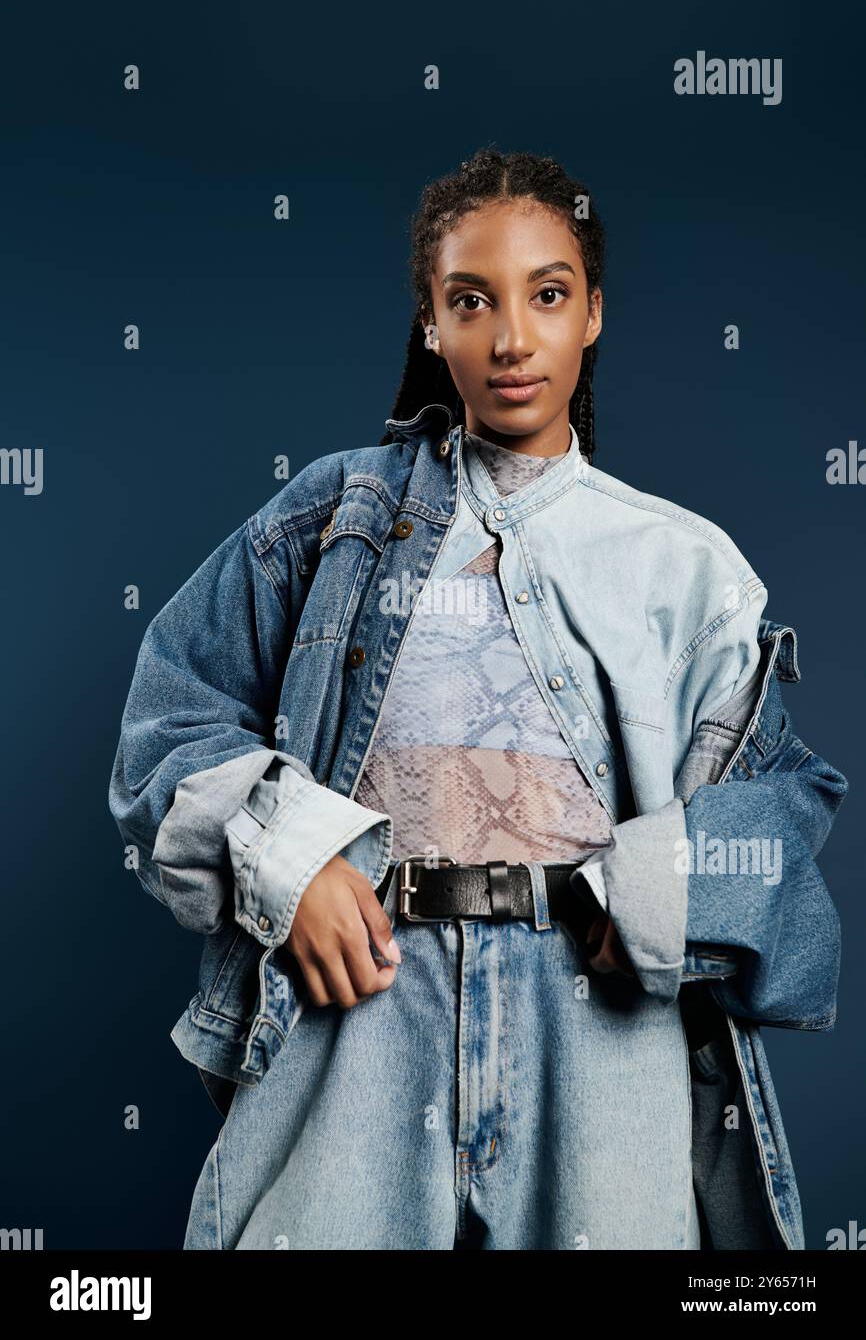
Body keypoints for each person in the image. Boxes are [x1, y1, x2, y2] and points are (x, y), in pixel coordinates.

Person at [109, 148, 847, 1250]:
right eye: (471, 301)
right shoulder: (337, 515)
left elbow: (785, 810)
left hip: (598, 1038)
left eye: (547, 295)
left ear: (591, 313)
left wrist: (639, 895)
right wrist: (292, 860)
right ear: (429, 322)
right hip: (361, 1013)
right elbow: (165, 724)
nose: (510, 339)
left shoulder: (685, 567)